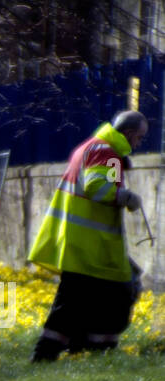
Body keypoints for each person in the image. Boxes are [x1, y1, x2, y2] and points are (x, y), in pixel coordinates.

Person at [29, 111, 148, 361]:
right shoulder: (107, 152)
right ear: (127, 134)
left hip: (84, 243)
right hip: (89, 246)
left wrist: (119, 192)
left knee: (84, 301)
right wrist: (124, 197)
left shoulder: (92, 148)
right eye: (139, 137)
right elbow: (96, 186)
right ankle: (60, 352)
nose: (139, 143)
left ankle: (79, 349)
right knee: (102, 298)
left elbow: (107, 184)